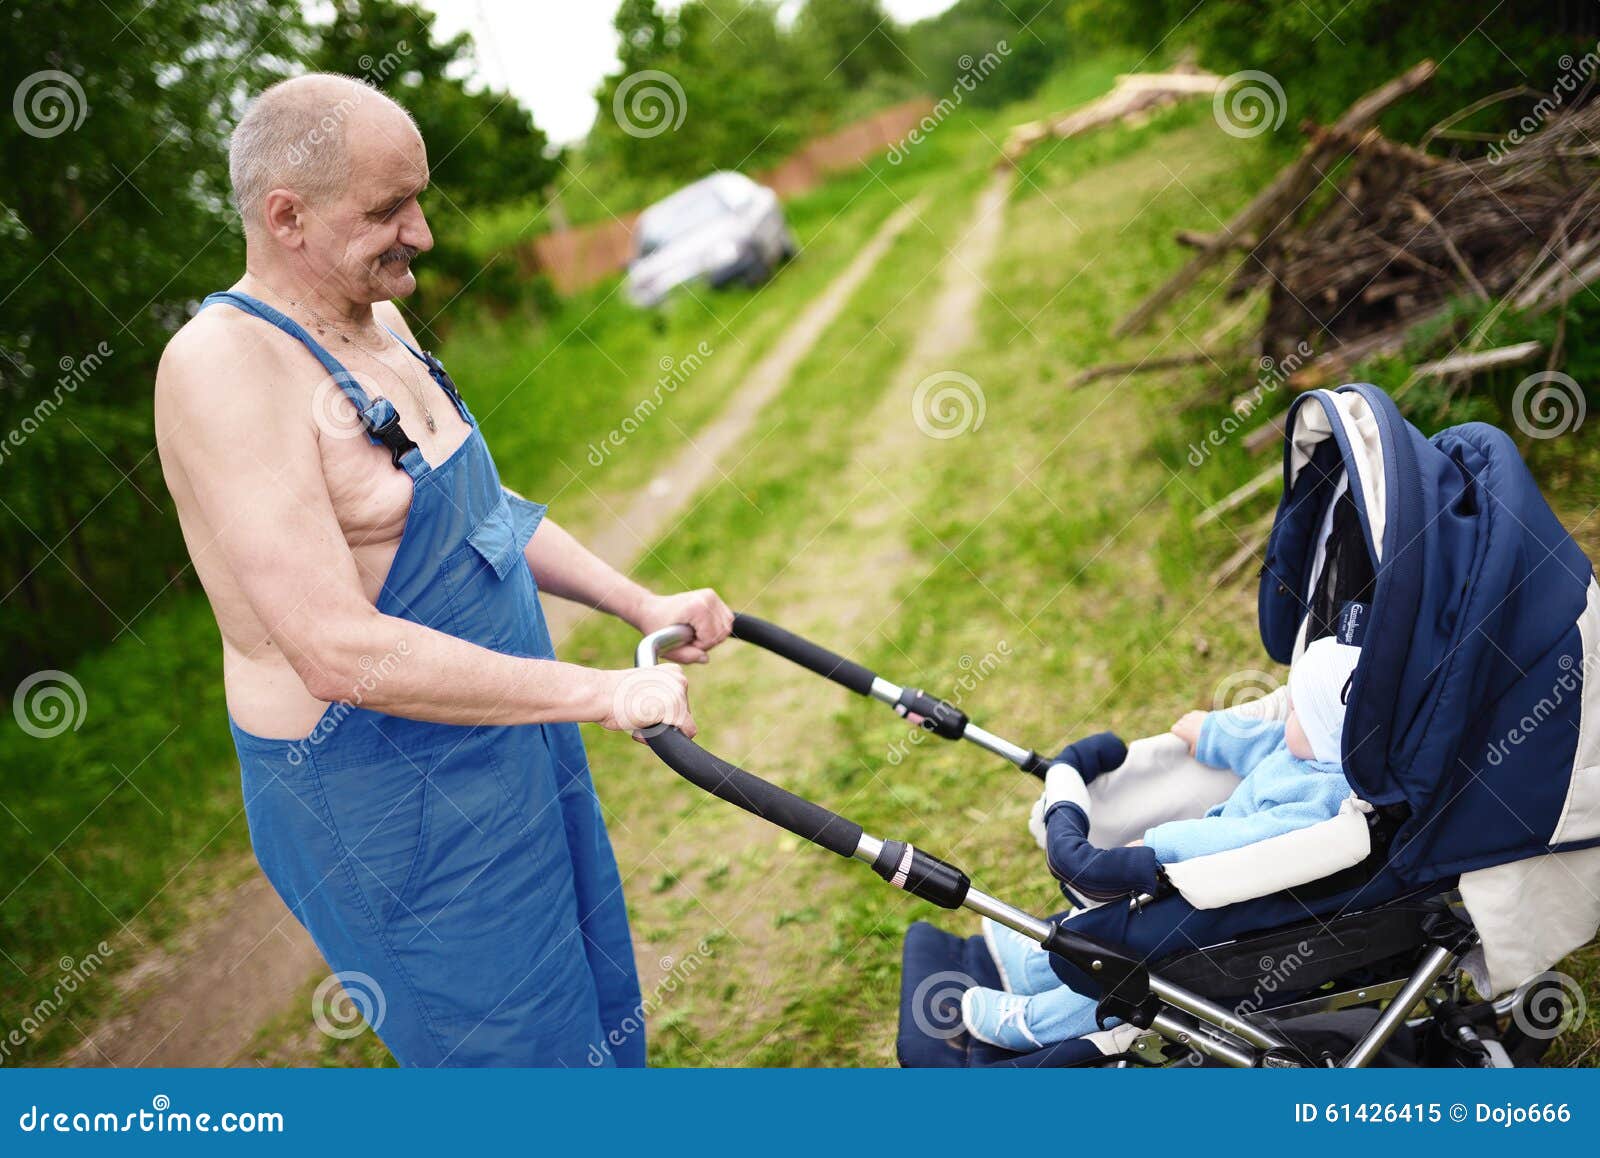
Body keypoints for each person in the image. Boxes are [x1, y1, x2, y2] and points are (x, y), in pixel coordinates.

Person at [154, 74, 732, 1066]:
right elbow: (336, 652)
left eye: (417, 198)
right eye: (387, 210)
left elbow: (477, 516)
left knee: (598, 1009)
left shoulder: (379, 321)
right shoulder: (223, 369)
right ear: (285, 215)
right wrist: (598, 690)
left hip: (507, 735)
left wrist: (640, 603)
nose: (420, 233)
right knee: (514, 1060)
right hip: (389, 799)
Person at [961, 636, 1363, 1050]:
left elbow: (1239, 839)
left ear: (1325, 734)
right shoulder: (1308, 750)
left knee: (1142, 961)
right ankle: (1038, 967)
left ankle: (1041, 1023)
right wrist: (1213, 733)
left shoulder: (1321, 800)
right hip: (1211, 876)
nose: (1287, 716)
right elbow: (1268, 743)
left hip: (1236, 892)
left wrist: (1159, 846)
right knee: (1122, 920)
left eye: (1298, 712)